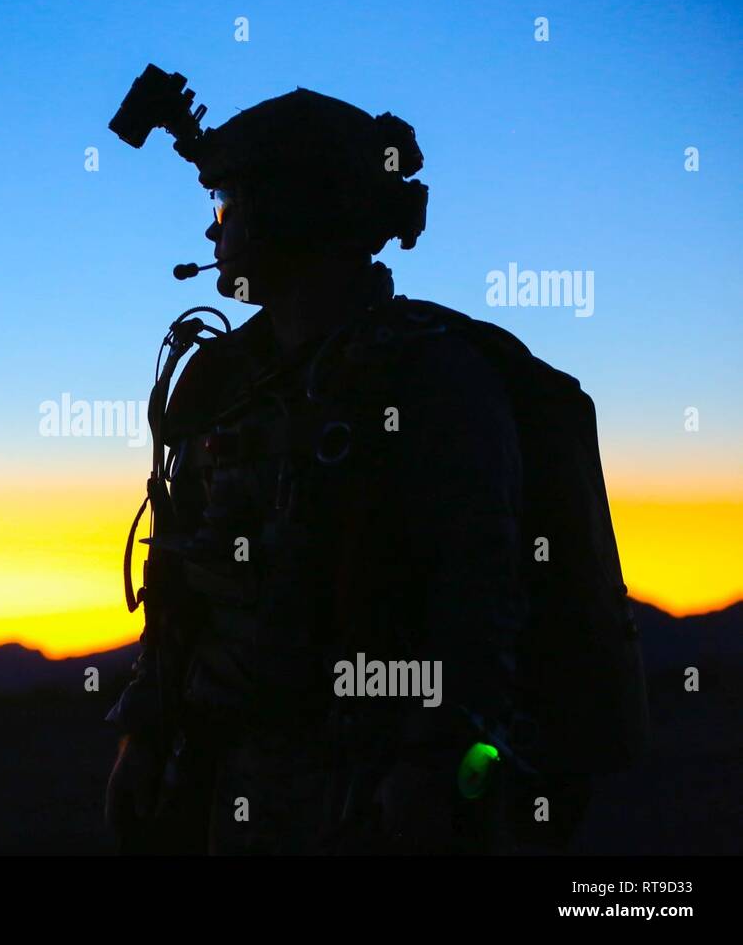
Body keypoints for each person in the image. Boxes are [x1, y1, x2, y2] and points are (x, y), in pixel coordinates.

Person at [103, 87, 531, 854]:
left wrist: (430, 767)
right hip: (219, 774)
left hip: (365, 791)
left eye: (229, 204)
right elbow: (174, 587)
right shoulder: (220, 379)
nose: (213, 228)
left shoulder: (430, 374)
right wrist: (144, 738)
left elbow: (480, 596)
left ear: (293, 211)